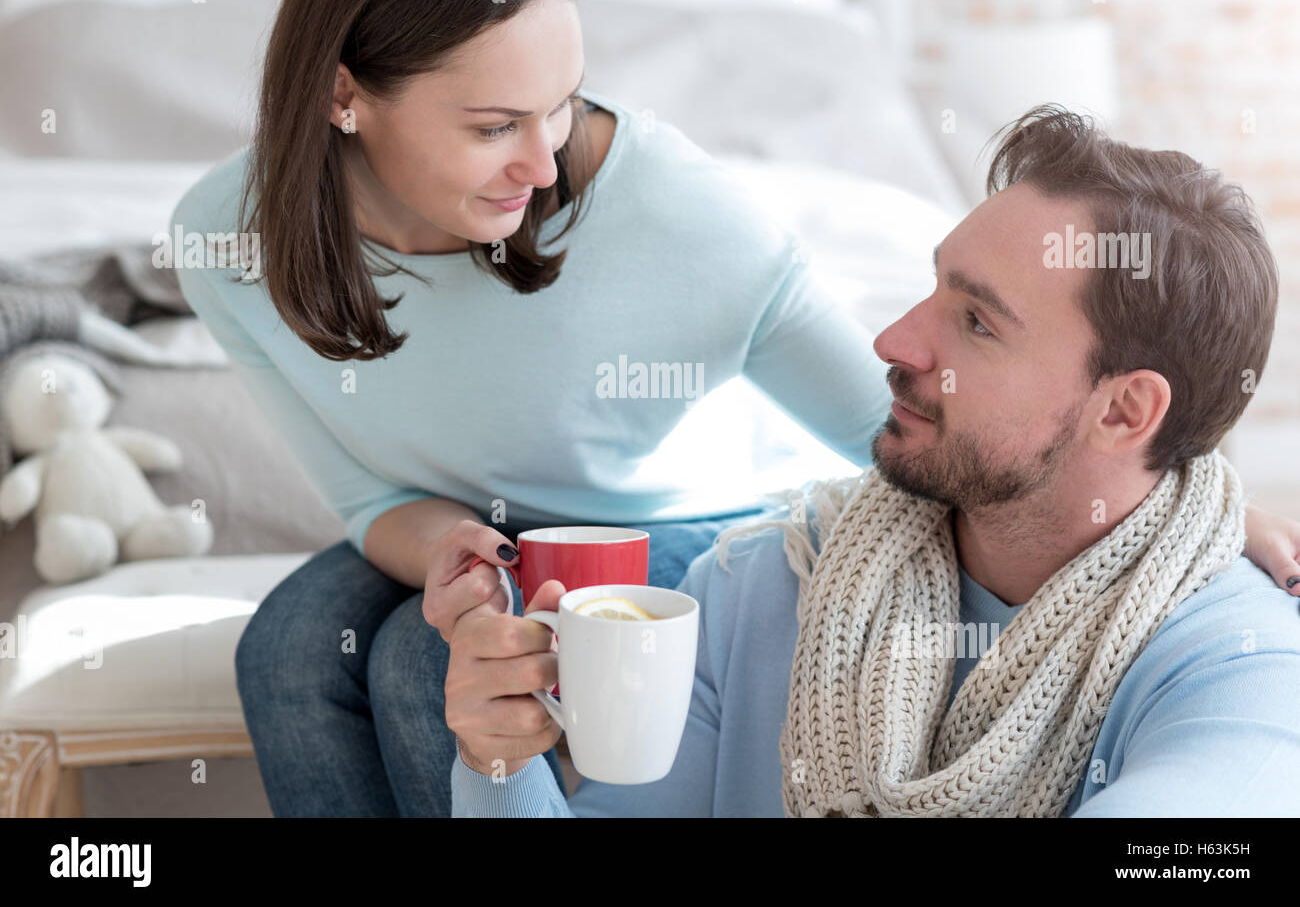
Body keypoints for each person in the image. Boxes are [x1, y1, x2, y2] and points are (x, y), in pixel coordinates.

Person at [170, 0, 897, 817]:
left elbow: (907, 433)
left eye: (560, 107)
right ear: (342, 97)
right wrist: (451, 552)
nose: (545, 167)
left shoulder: (678, 212)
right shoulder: (225, 243)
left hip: (697, 518)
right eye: (492, 127)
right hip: (482, 525)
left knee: (426, 659)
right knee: (289, 648)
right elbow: (372, 499)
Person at [444, 105, 1300, 817]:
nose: (893, 341)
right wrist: (496, 762)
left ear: (1123, 410)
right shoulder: (757, 587)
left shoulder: (1240, 664)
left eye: (977, 323)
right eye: (934, 288)